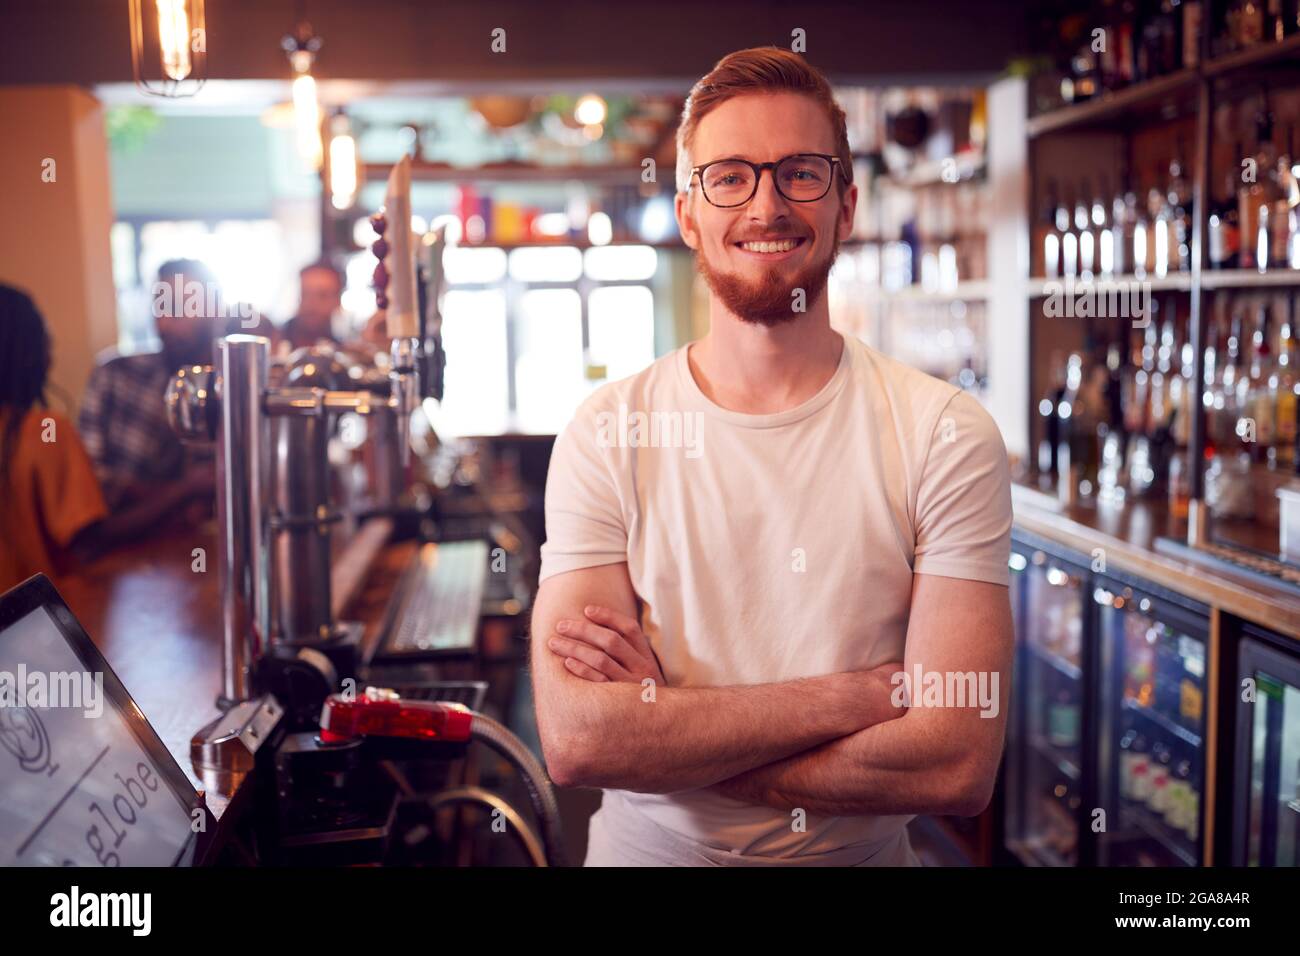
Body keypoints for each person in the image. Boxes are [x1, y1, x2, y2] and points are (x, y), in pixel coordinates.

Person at [530, 47, 1013, 866]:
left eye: (801, 174)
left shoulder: (946, 434)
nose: (766, 204)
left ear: (847, 205)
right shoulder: (608, 429)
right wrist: (848, 699)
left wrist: (675, 734)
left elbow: (956, 762)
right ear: (689, 213)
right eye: (729, 177)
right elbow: (580, 740)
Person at [0, 286, 193, 592]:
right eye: (44, 331)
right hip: (38, 623)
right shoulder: (45, 431)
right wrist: (186, 490)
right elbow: (91, 537)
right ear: (28, 349)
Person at [78, 259, 217, 515]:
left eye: (176, 309)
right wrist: (182, 492)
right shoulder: (115, 373)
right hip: (123, 546)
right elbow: (87, 481)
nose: (163, 323)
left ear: (214, 310)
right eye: (158, 308)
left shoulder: (229, 388)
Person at [281, 259, 346, 352]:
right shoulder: (272, 345)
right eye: (305, 294)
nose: (311, 303)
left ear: (337, 301)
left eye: (322, 295)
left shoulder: (341, 355)